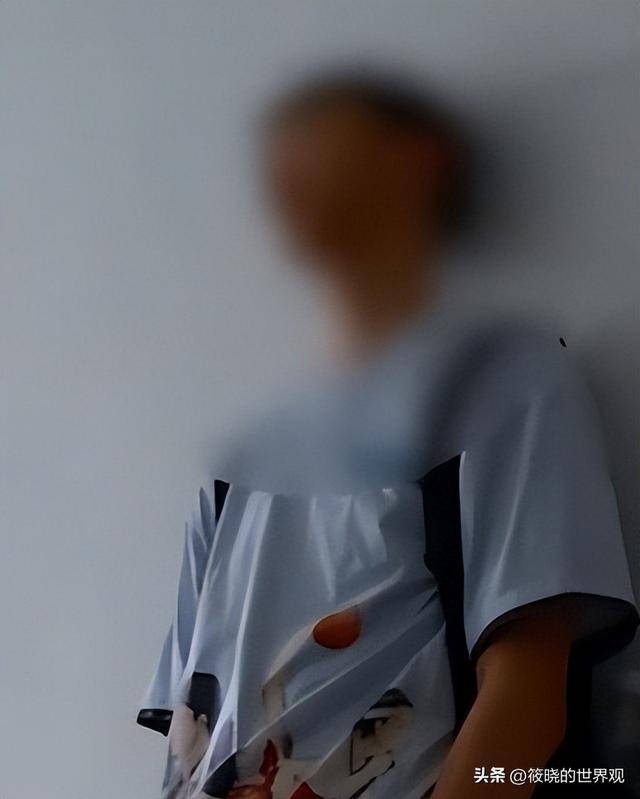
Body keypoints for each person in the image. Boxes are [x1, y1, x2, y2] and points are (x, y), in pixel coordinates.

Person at [137, 69, 639, 799]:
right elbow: (191, 734)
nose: (285, 170)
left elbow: (528, 706)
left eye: (321, 137)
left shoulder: (504, 386)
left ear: (420, 162)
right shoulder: (241, 462)